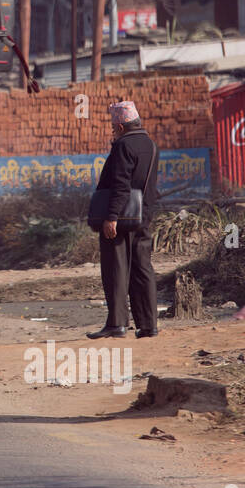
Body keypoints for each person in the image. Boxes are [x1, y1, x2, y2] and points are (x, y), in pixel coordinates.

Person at [87, 100, 161, 340]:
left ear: (120, 126)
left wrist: (112, 217)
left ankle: (117, 324)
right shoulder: (150, 145)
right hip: (143, 216)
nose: (112, 131)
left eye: (113, 127)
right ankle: (148, 325)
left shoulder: (122, 145)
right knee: (142, 269)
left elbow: (120, 184)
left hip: (121, 218)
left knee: (116, 269)